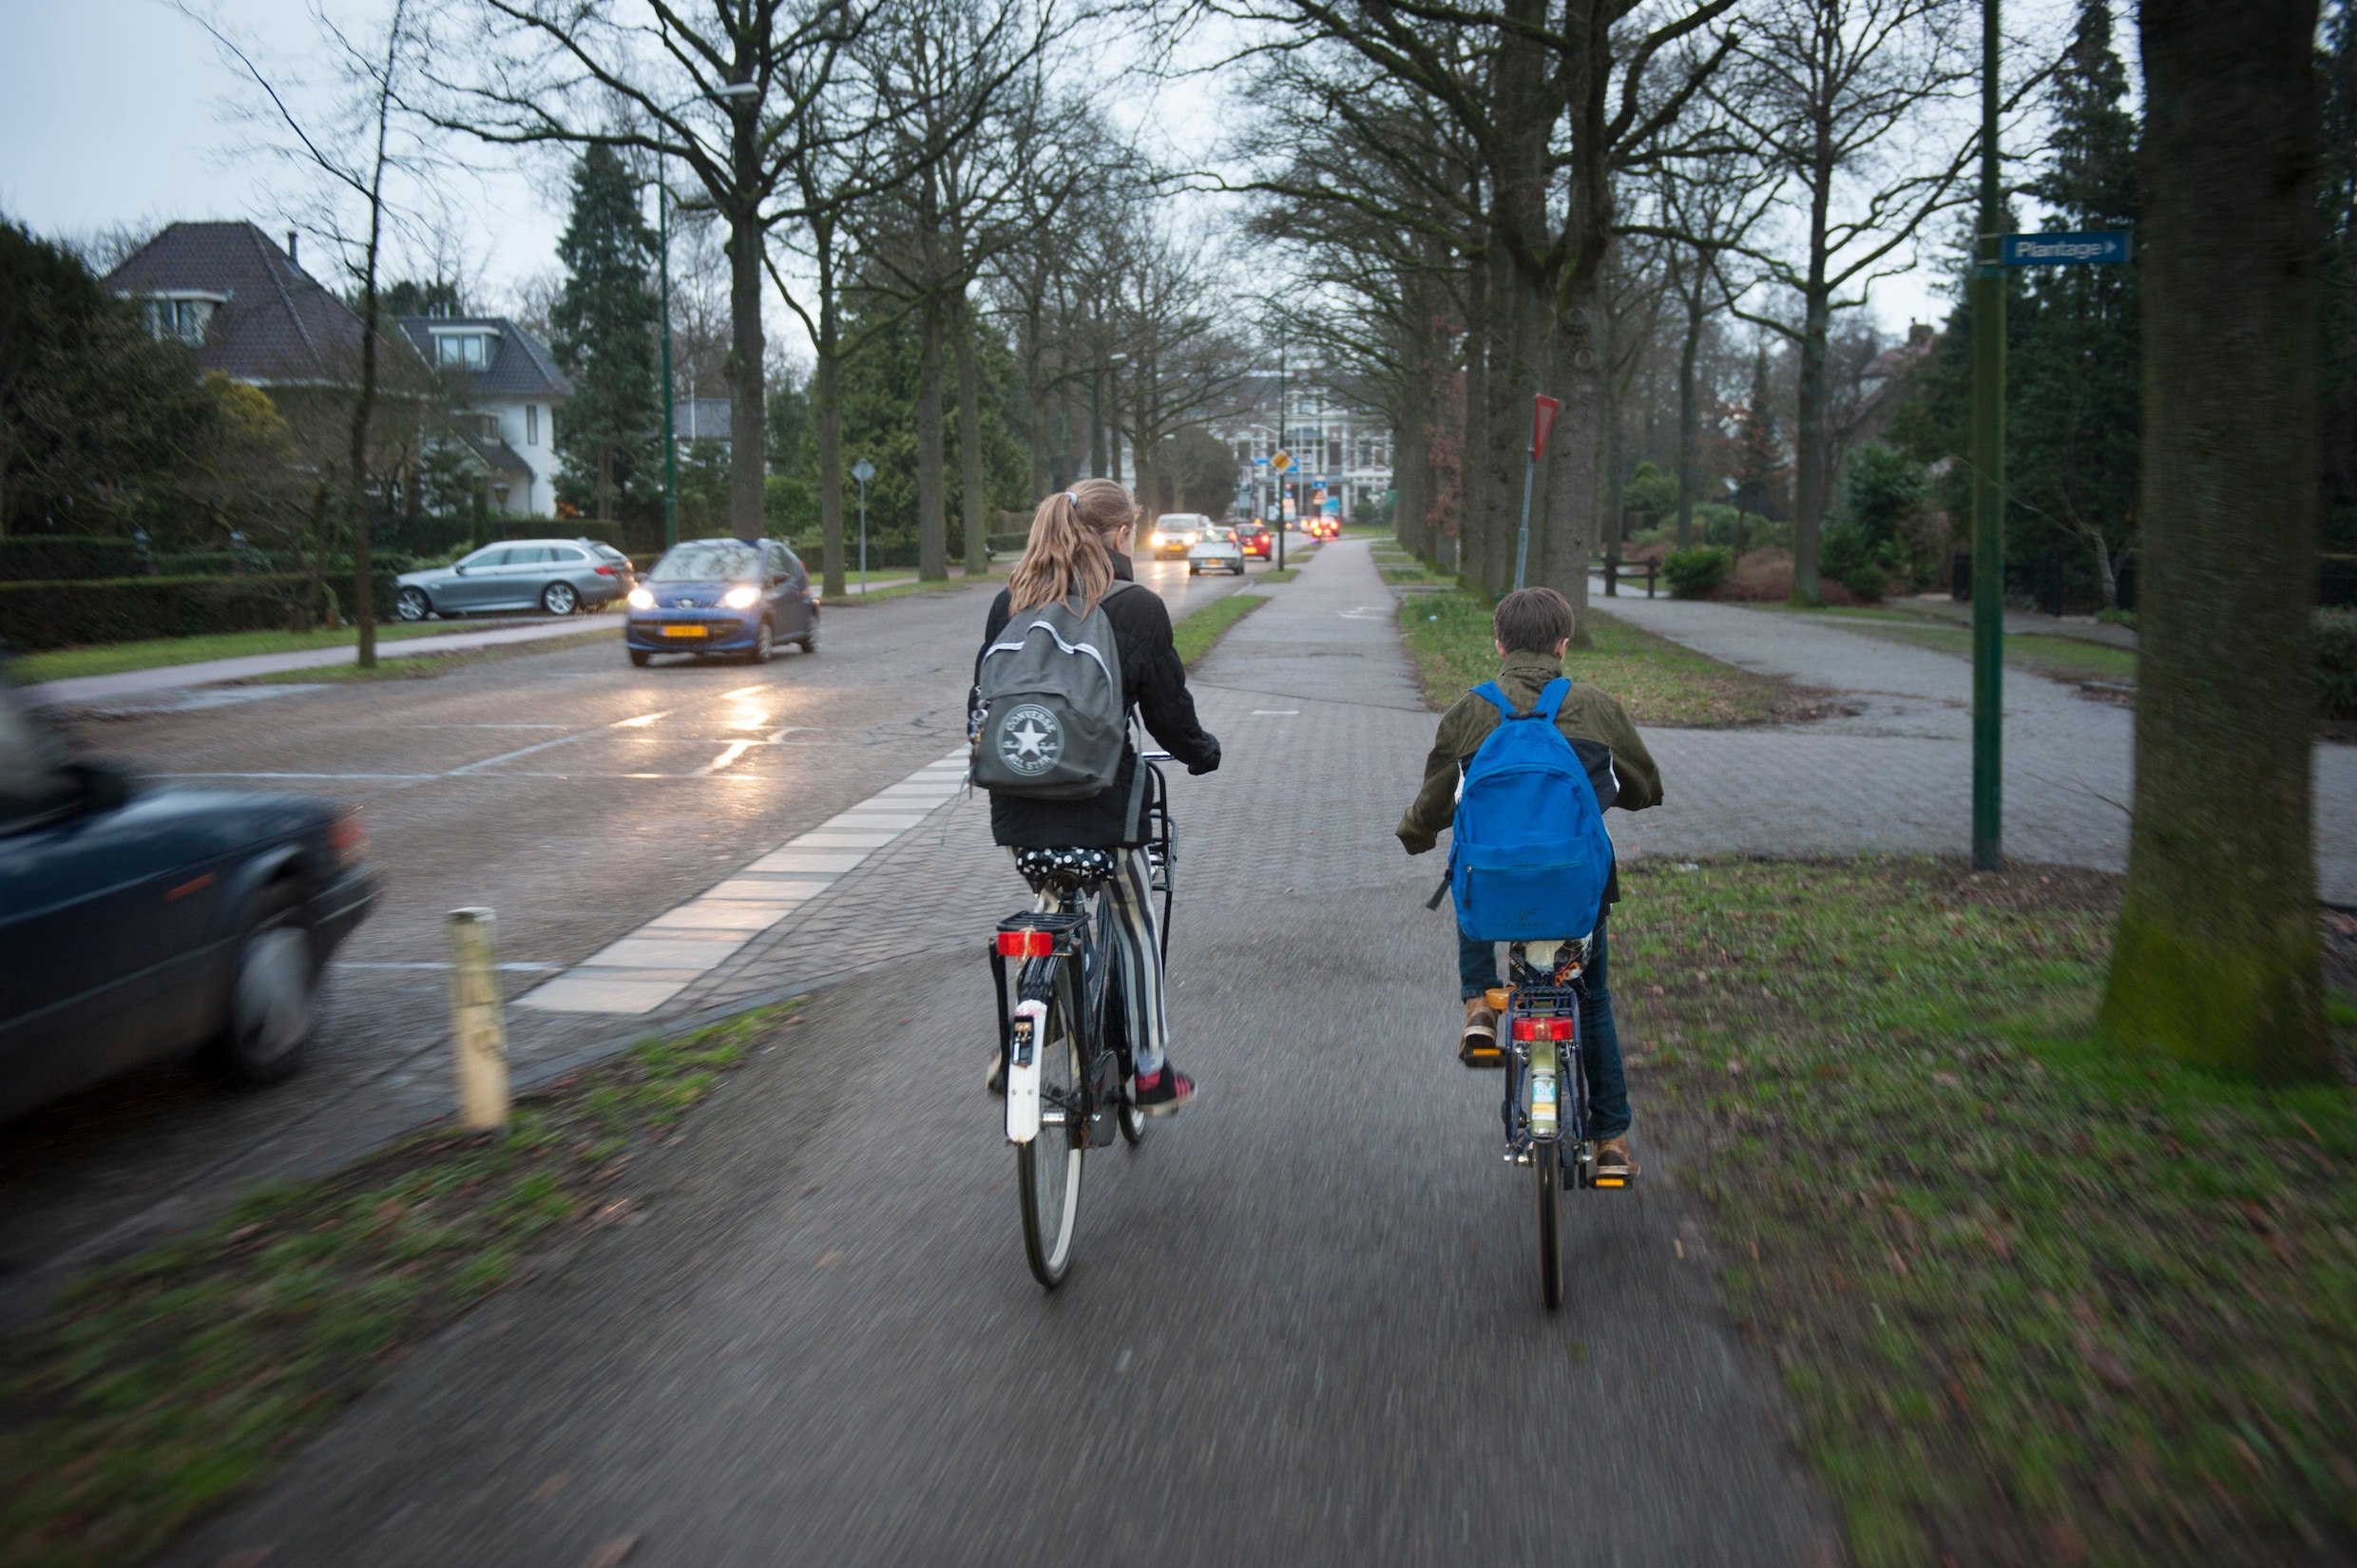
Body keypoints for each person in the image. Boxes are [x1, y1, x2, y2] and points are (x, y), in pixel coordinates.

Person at [1394, 586, 1661, 1180]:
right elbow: (1645, 788)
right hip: (1577, 888)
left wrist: (1414, 835)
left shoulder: (1470, 711)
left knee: (1469, 875)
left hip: (1496, 888)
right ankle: (1611, 1139)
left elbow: (1435, 802)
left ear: (1500, 644)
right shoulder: (1596, 707)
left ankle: (1478, 1007)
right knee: (1592, 1000)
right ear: (1563, 645)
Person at [972, 478, 1220, 1114]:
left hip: (1019, 806)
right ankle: (1151, 1073)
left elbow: (982, 704)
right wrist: (1202, 753)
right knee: (1134, 924)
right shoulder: (1135, 606)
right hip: (1103, 811)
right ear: (1119, 534)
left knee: (1052, 906)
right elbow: (1169, 714)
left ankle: (1026, 1033)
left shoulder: (1010, 602)